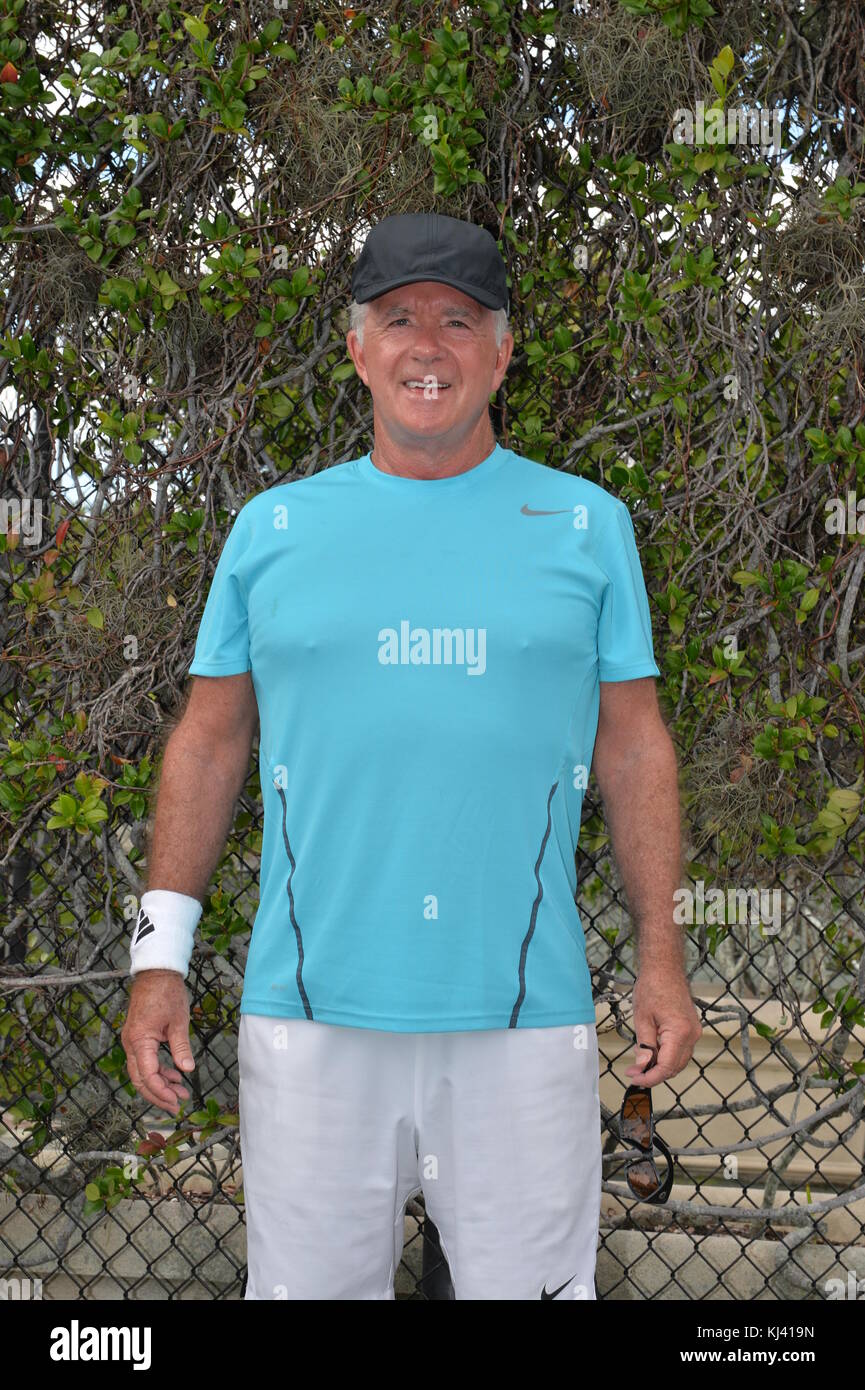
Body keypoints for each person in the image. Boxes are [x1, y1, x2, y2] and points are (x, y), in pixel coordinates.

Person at [121, 212, 701, 1300]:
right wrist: (161, 957)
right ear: (357, 349)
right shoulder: (273, 530)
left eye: (457, 320)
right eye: (398, 320)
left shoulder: (584, 525)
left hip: (524, 1018)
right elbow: (208, 742)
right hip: (308, 1015)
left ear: (500, 351)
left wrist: (660, 953)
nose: (425, 346)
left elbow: (632, 746)